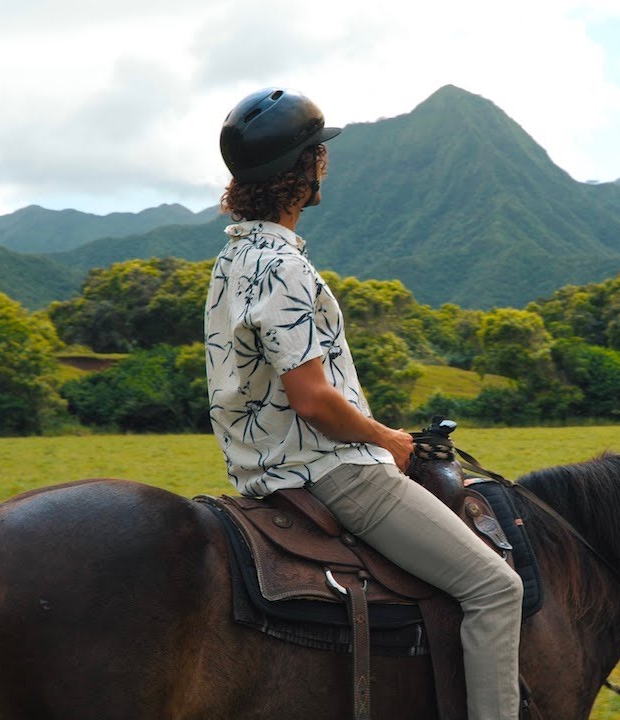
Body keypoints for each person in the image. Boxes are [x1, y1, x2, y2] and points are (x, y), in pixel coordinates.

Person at [206, 87, 523, 720]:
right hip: (335, 474)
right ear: (304, 170)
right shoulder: (282, 266)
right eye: (320, 153)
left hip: (268, 473)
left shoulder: (234, 257)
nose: (326, 162)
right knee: (496, 587)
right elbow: (314, 399)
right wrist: (391, 440)